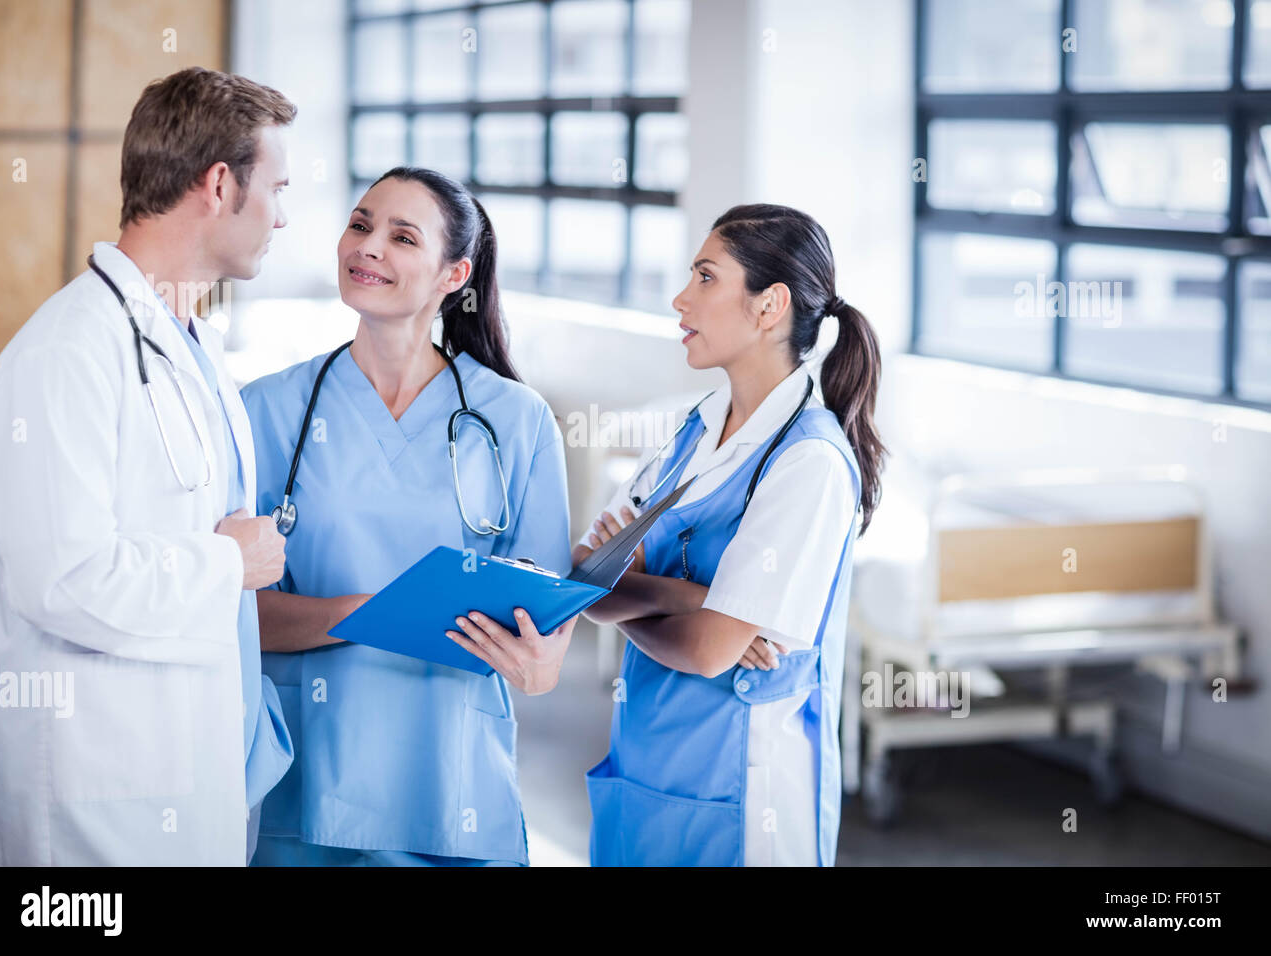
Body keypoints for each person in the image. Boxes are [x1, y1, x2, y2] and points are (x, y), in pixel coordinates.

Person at [0, 67, 297, 866]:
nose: (284, 217)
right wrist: (230, 560)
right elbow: (62, 578)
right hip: (96, 808)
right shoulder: (67, 351)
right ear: (220, 185)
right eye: (277, 188)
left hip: (188, 771)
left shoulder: (194, 342)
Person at [242, 166, 574, 867]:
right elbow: (236, 611)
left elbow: (543, 653)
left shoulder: (517, 421)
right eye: (360, 225)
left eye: (401, 237)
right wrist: (377, 610)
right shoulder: (269, 410)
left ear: (454, 274)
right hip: (308, 780)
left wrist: (536, 659)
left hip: (452, 783)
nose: (368, 247)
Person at [577, 203, 886, 866]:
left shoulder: (808, 462)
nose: (680, 298)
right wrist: (689, 598)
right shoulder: (695, 428)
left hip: (744, 792)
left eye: (706, 278)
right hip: (648, 767)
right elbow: (579, 583)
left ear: (769, 305)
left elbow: (709, 651)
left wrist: (632, 591)